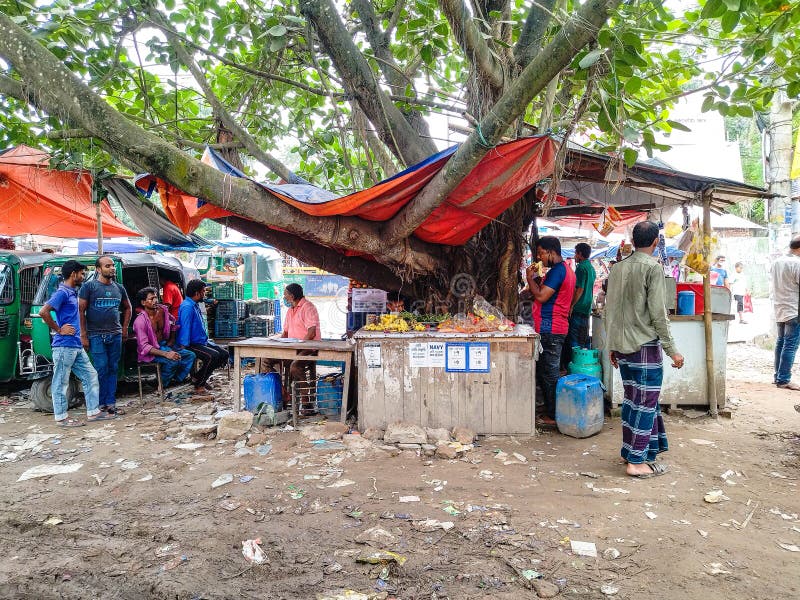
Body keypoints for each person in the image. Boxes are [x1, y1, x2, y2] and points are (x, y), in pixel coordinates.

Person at [605, 220, 684, 478]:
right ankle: (636, 462)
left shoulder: (617, 269)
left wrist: (612, 346)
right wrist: (672, 350)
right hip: (644, 347)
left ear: (632, 241)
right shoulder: (652, 267)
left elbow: (611, 311)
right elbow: (659, 314)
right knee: (645, 404)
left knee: (632, 400)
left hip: (623, 347)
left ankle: (631, 452)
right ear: (655, 242)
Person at [39, 260, 113, 426]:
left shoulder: (72, 292)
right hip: (64, 345)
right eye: (81, 273)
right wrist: (59, 329)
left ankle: (93, 412)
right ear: (73, 274)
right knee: (61, 382)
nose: (83, 276)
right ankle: (61, 418)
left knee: (90, 375)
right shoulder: (62, 292)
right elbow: (44, 312)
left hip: (75, 345)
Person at [525, 236, 576, 427]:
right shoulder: (565, 271)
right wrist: (536, 279)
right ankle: (550, 410)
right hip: (554, 326)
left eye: (540, 253)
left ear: (551, 252)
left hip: (551, 328)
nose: (539, 257)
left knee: (549, 373)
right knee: (547, 372)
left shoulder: (557, 271)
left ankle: (555, 415)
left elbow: (541, 296)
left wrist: (529, 278)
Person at [79, 255, 131, 416]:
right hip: (96, 335)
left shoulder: (119, 288)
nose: (112, 268)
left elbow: (128, 308)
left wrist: (124, 328)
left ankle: (110, 403)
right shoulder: (89, 287)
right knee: (101, 369)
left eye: (112, 266)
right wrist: (83, 334)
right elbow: (80, 310)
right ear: (98, 269)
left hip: (115, 335)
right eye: (107, 266)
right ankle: (100, 404)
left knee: (113, 368)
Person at [133, 287, 196, 387]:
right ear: (143, 302)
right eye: (151, 299)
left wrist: (172, 339)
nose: (155, 301)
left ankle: (175, 379)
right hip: (152, 351)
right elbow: (144, 347)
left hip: (165, 345)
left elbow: (173, 323)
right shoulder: (140, 321)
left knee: (190, 355)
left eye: (156, 297)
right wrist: (166, 354)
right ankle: (160, 385)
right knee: (172, 361)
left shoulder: (163, 310)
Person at [274, 283, 321, 415]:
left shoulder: (308, 307)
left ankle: (307, 403)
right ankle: (284, 394)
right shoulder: (290, 311)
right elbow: (286, 333)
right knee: (266, 360)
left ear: (292, 296)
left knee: (295, 366)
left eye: (286, 295)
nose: (284, 297)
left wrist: (300, 346)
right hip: (293, 348)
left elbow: (311, 333)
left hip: (309, 348)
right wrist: (276, 341)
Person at [176, 279, 229, 393]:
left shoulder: (194, 305)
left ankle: (198, 377)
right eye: (203, 292)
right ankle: (199, 384)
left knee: (224, 354)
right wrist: (184, 346)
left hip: (201, 341)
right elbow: (185, 326)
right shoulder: (187, 307)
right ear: (197, 293)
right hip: (190, 343)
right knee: (212, 356)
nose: (204, 294)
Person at [771, 235, 800, 391]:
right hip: (794, 309)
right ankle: (784, 379)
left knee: (781, 342)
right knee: (790, 345)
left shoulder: (777, 262)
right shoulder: (797, 263)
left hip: (779, 308)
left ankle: (778, 376)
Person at [562, 242, 596, 369]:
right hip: (586, 308)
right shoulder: (591, 268)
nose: (574, 255)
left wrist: (571, 305)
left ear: (580, 254)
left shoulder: (581, 268)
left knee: (574, 339)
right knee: (584, 338)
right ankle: (584, 365)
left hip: (578, 307)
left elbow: (580, 289)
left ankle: (575, 366)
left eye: (575, 253)